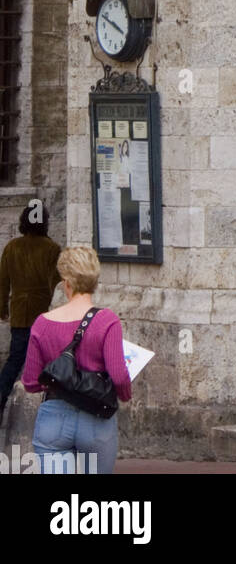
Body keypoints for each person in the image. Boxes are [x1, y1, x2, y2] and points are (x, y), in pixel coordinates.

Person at [21, 245, 131, 474]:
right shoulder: (107, 321)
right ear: (94, 281)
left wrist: (60, 380)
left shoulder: (42, 323)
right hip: (96, 418)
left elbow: (31, 382)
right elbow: (119, 376)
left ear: (66, 283)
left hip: (54, 417)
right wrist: (124, 394)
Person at [0, 203, 61, 425]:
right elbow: (56, 283)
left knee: (15, 360)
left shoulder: (11, 247)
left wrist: (2, 310)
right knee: (46, 361)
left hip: (19, 312)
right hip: (42, 313)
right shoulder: (52, 249)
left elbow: (3, 283)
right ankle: (44, 408)